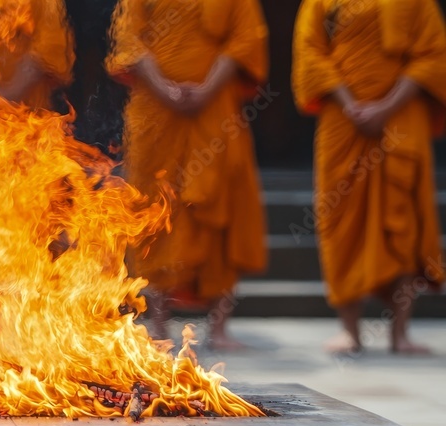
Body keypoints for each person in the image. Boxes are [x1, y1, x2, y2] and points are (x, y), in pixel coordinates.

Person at [105, 0, 269, 349]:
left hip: (216, 107)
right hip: (154, 109)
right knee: (154, 211)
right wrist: (164, 88)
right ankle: (158, 323)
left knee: (222, 206)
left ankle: (219, 327)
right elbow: (130, 40)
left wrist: (207, 88)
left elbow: (244, 40)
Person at [292, 0, 446, 355]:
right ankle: (350, 331)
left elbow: (431, 56)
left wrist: (387, 105)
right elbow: (310, 50)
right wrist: (350, 104)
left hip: (403, 116)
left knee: (403, 220)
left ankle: (400, 333)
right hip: (343, 119)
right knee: (341, 219)